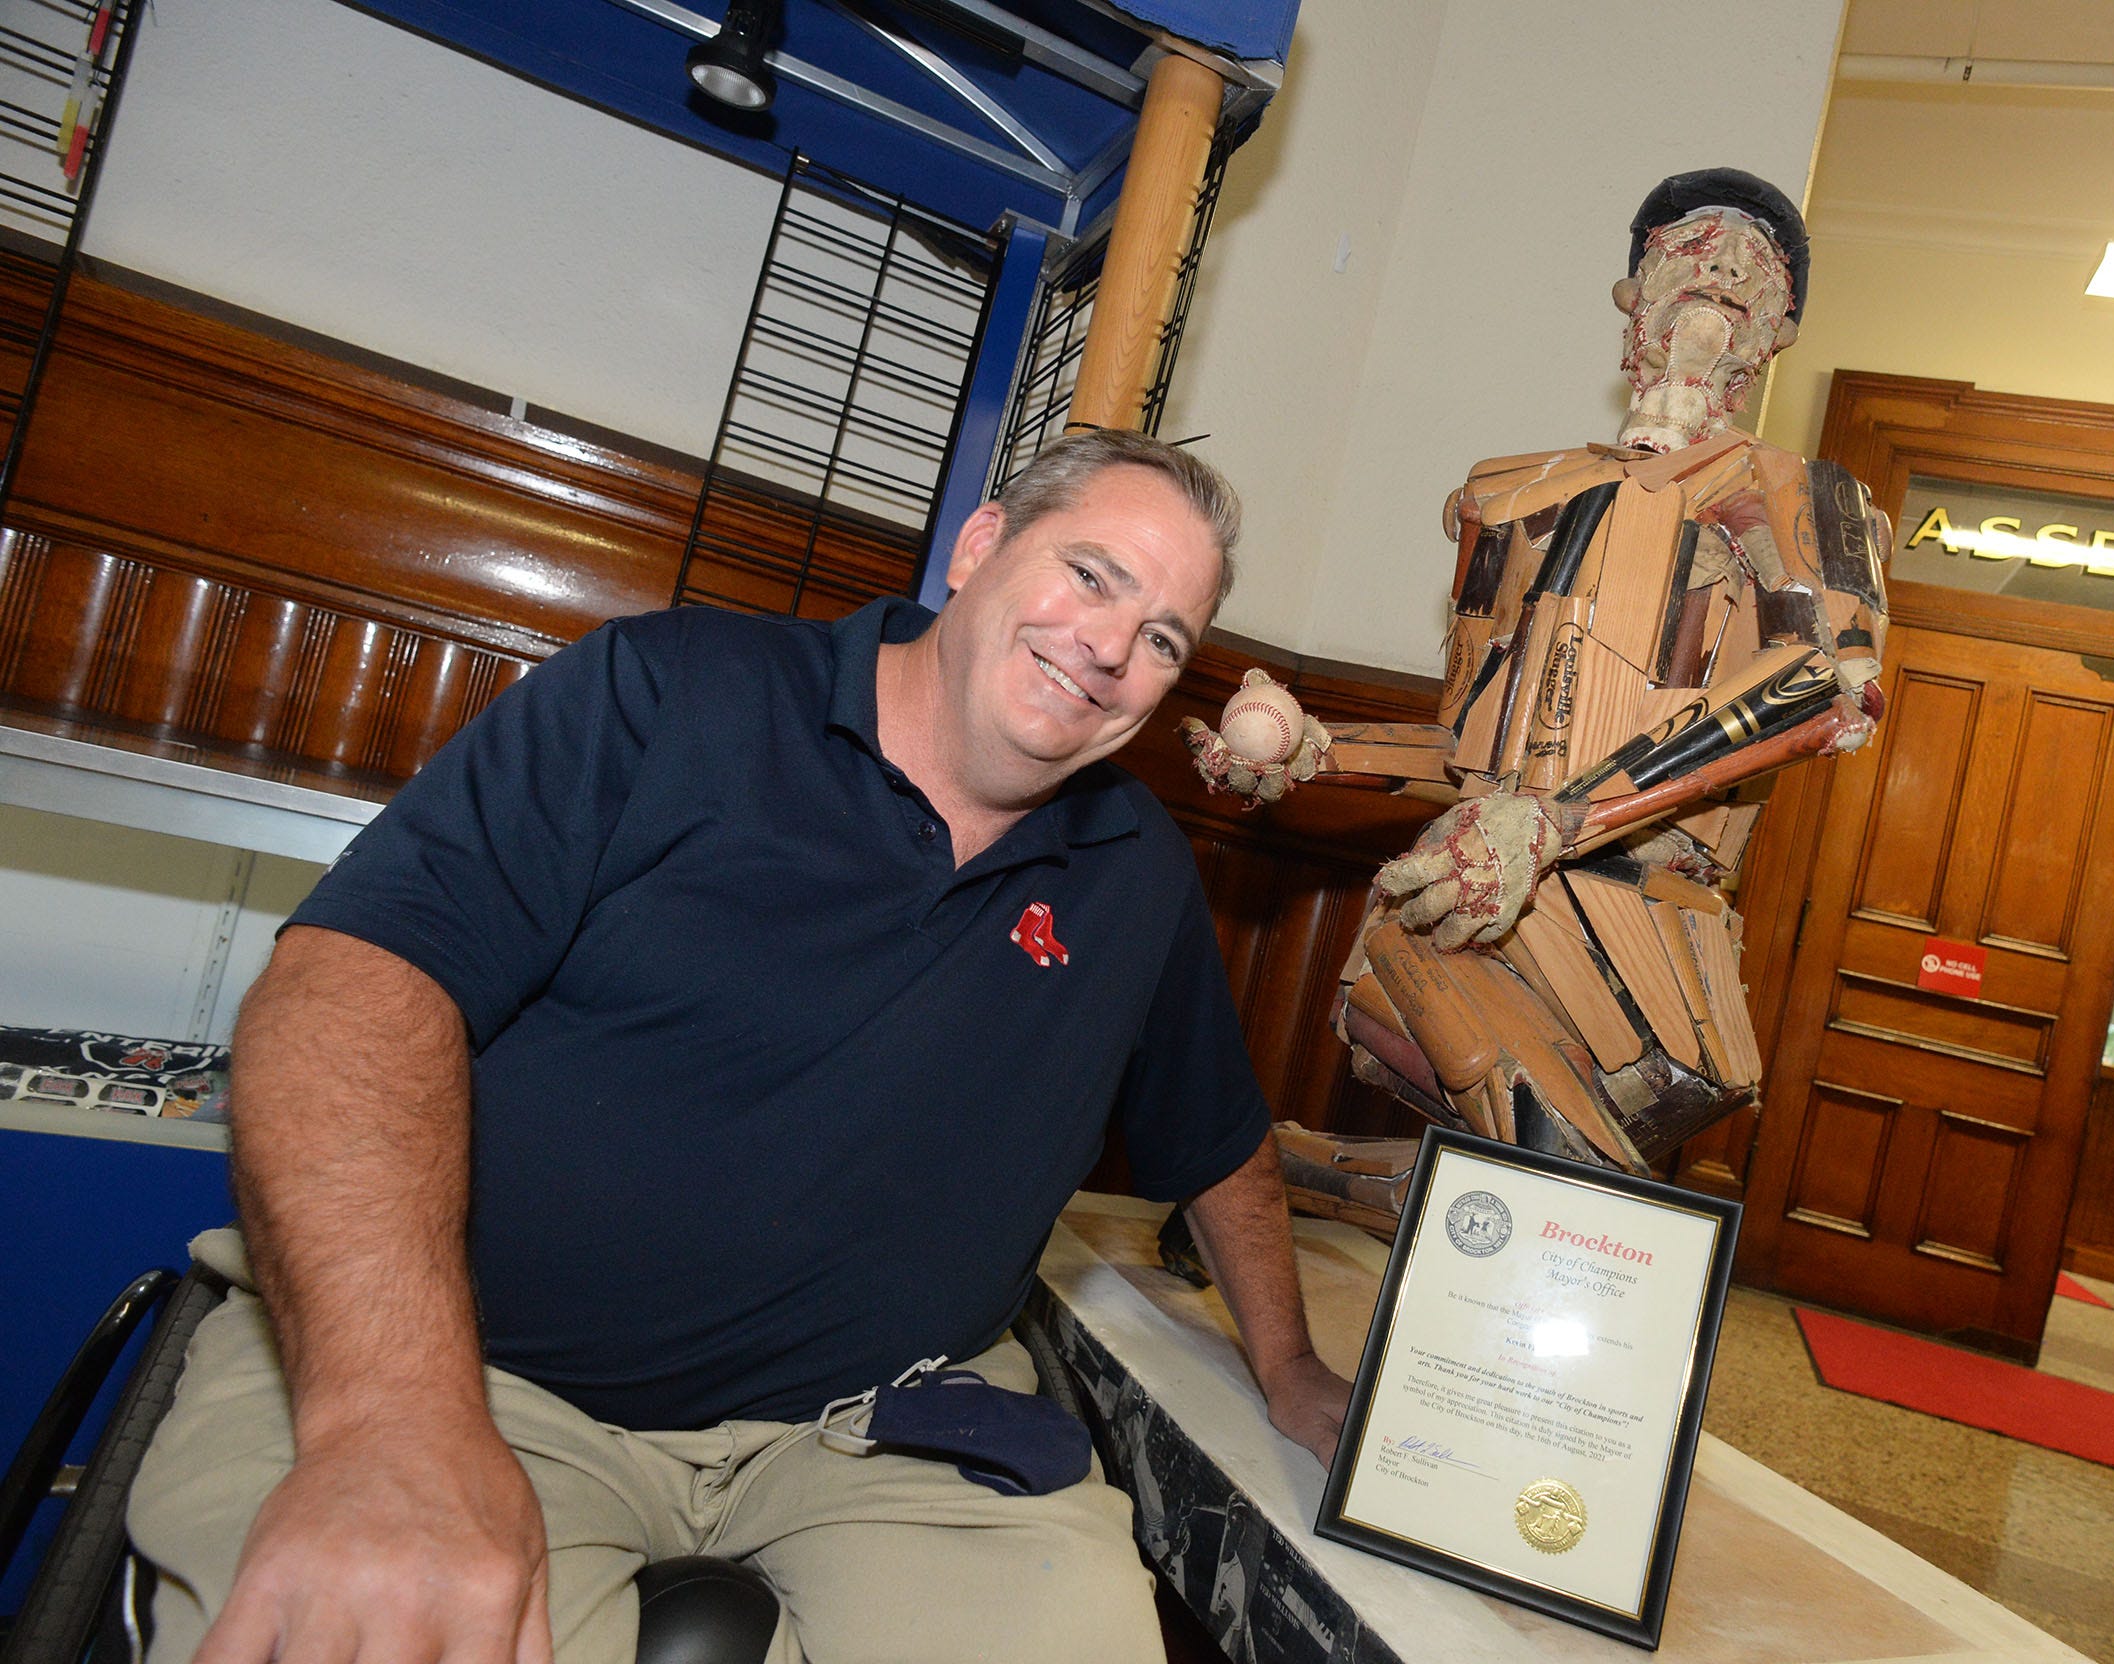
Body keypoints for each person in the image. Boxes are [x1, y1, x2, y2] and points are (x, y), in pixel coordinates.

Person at [126, 429, 1352, 1664]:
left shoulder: (1134, 870)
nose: (1109, 648)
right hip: (471, 1378)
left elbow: (1218, 1134)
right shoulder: (667, 692)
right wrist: (392, 1419)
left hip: (885, 1429)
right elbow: (347, 989)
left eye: (1163, 640)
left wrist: (1292, 1363)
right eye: (1091, 575)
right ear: (978, 546)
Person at [1187, 169, 1891, 1181]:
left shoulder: (1800, 493)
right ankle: (1358, 1184)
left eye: (1759, 263)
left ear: (1777, 332)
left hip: (1638, 933)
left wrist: (1553, 822)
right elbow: (1471, 747)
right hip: (1476, 891)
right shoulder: (1512, 494)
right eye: (1688, 246)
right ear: (1632, 297)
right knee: (1405, 976)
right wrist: (1318, 751)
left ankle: (1362, 1184)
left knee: (1520, 1134)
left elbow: (1827, 685)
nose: (1724, 265)